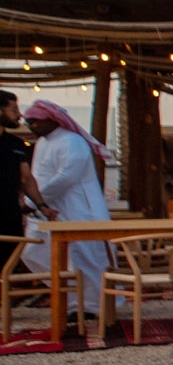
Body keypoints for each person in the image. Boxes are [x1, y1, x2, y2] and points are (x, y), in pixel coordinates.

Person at [21, 100, 113, 314]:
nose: (31, 126)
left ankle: (93, 306)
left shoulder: (73, 141)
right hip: (50, 211)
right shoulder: (43, 143)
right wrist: (37, 202)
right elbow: (36, 178)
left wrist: (34, 200)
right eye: (29, 122)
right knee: (36, 252)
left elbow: (67, 177)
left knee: (84, 259)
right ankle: (71, 303)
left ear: (51, 120)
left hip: (81, 209)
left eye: (35, 122)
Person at [0, 91, 41, 243]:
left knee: (9, 261)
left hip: (9, 216)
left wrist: (42, 206)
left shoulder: (15, 144)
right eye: (14, 109)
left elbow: (26, 178)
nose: (19, 114)